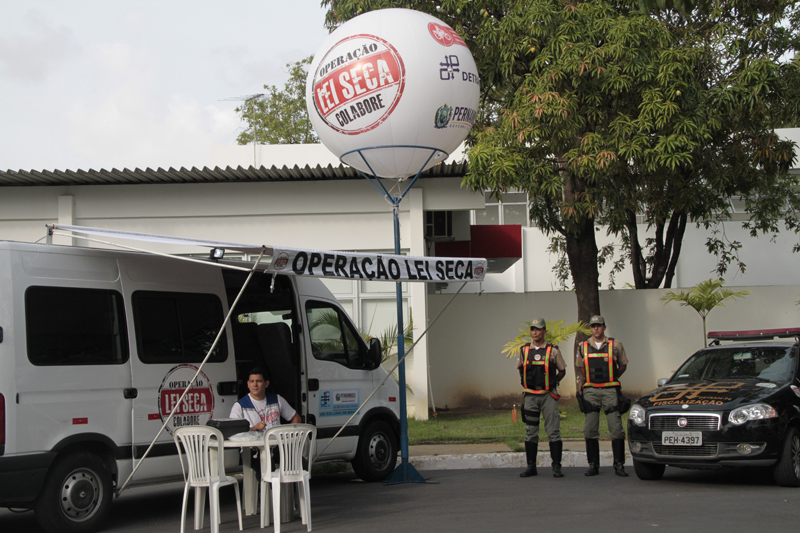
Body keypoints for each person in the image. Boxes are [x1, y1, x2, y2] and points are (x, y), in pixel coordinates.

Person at [575, 315, 629, 477]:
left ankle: (619, 465)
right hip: (591, 390)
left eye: (599, 326)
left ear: (604, 327)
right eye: (593, 326)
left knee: (616, 429)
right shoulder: (583, 346)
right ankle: (593, 465)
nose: (596, 329)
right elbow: (581, 367)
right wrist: (590, 381)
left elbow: (623, 365)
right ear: (590, 328)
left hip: (610, 390)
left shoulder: (615, 345)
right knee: (590, 429)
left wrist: (612, 378)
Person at [516, 318, 567, 478]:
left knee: (553, 432)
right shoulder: (524, 350)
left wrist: (553, 383)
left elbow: (562, 371)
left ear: (545, 331)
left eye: (538, 329)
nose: (535, 332)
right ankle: (531, 467)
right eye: (532, 329)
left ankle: (556, 467)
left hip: (548, 397)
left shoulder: (553, 351)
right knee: (530, 432)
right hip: (531, 396)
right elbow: (520, 369)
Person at [230, 367, 301, 431]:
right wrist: (253, 429)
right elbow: (233, 430)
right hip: (252, 445)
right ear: (248, 384)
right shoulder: (240, 405)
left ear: (266, 384)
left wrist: (289, 435)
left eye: (259, 381)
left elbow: (296, 418)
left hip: (276, 444)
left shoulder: (277, 399)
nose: (255, 385)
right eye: (252, 381)